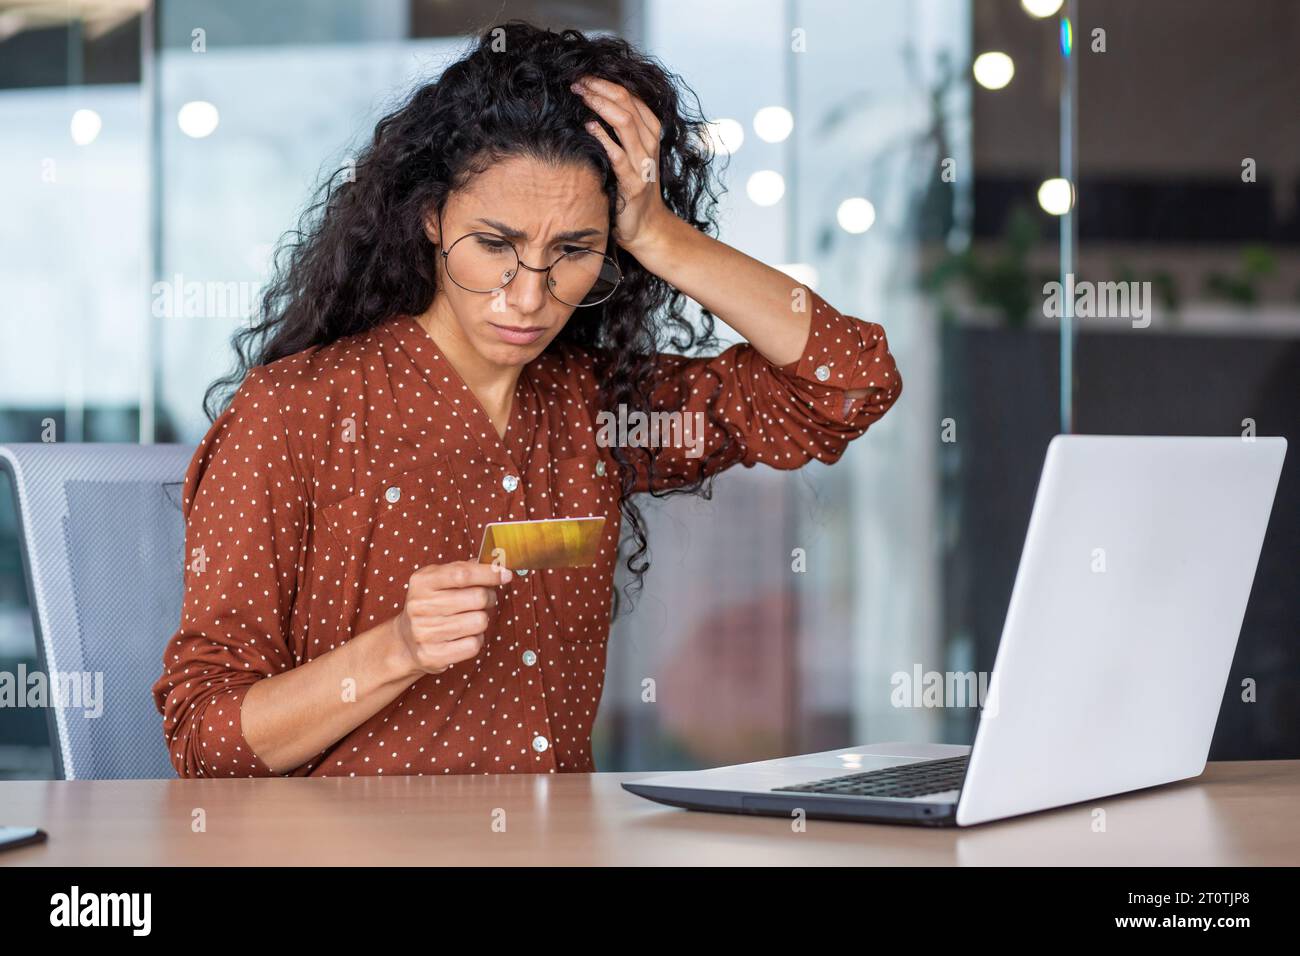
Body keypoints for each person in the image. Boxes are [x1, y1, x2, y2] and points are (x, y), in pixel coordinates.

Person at [151, 19, 902, 778]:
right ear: (431, 218)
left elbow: (846, 383)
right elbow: (204, 742)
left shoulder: (604, 410)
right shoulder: (292, 413)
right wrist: (397, 649)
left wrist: (664, 237)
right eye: (496, 246)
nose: (530, 296)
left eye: (573, 251)